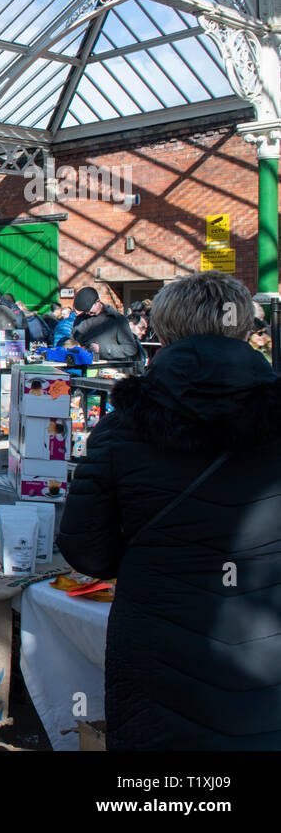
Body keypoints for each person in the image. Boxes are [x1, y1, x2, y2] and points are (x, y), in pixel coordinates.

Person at [59, 270, 281, 750]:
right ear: (245, 329)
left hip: (157, 642)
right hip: (265, 636)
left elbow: (86, 552)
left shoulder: (122, 430)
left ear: (161, 333)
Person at [70, 286, 141, 362]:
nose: (87, 312)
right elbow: (74, 341)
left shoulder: (117, 320)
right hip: (84, 366)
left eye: (89, 309)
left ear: (98, 301)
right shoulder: (80, 320)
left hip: (110, 369)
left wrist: (102, 349)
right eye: (85, 310)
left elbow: (131, 349)